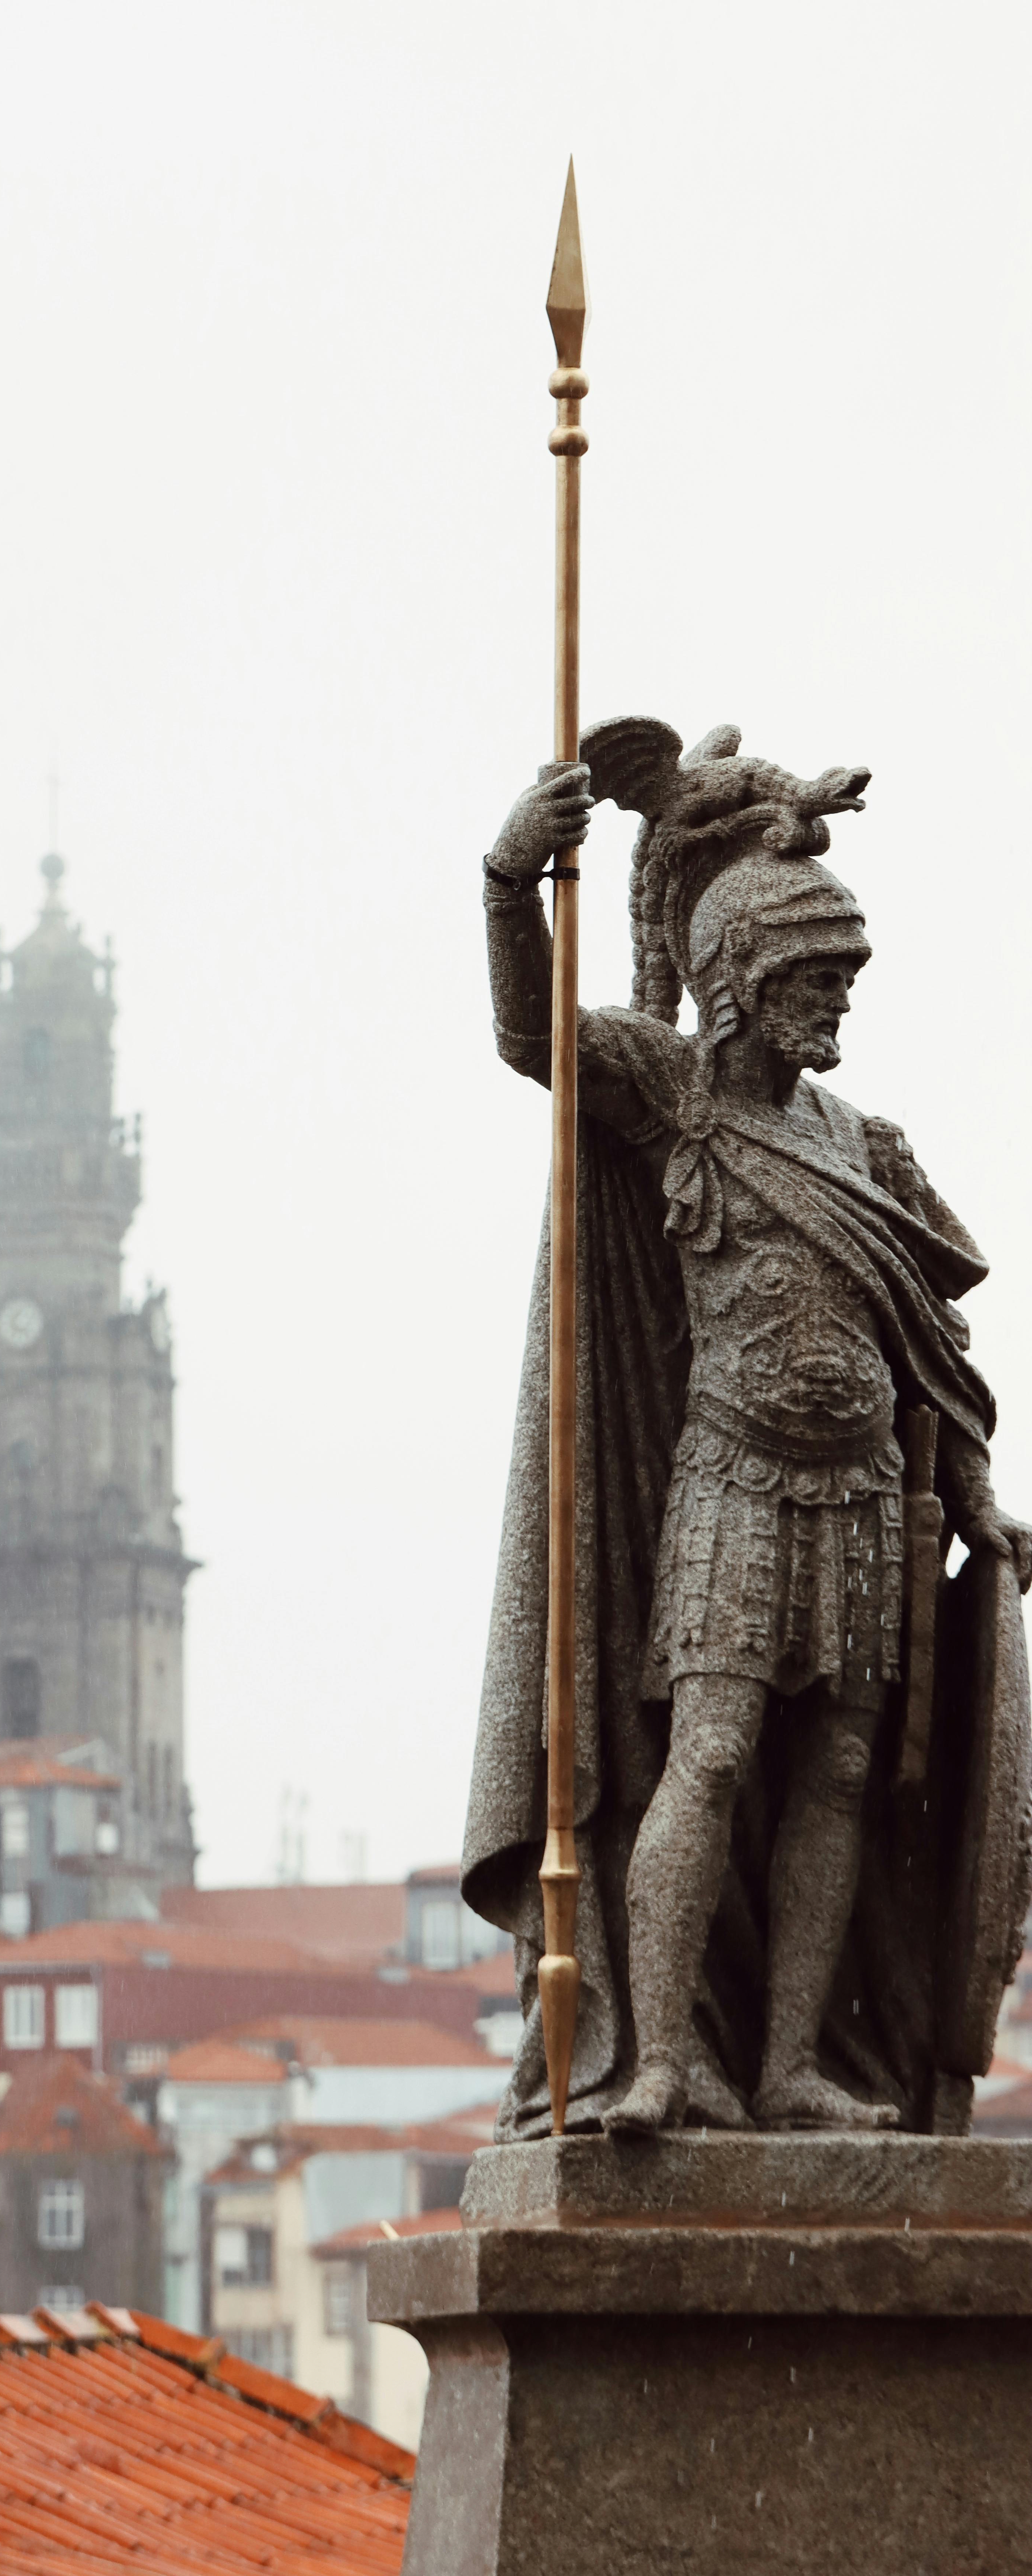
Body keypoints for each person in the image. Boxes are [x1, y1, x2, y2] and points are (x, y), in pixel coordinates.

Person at [466, 719, 1032, 2134]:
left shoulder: (867, 1147)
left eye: (845, 979)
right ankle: (664, 2060)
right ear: (740, 976)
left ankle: (788, 2067)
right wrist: (505, 883)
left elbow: (936, 1355)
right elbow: (534, 1041)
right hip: (728, 1484)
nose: (836, 1005)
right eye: (813, 978)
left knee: (839, 1772)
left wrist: (971, 1497)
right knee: (709, 1755)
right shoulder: (677, 1098)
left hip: (860, 1504)